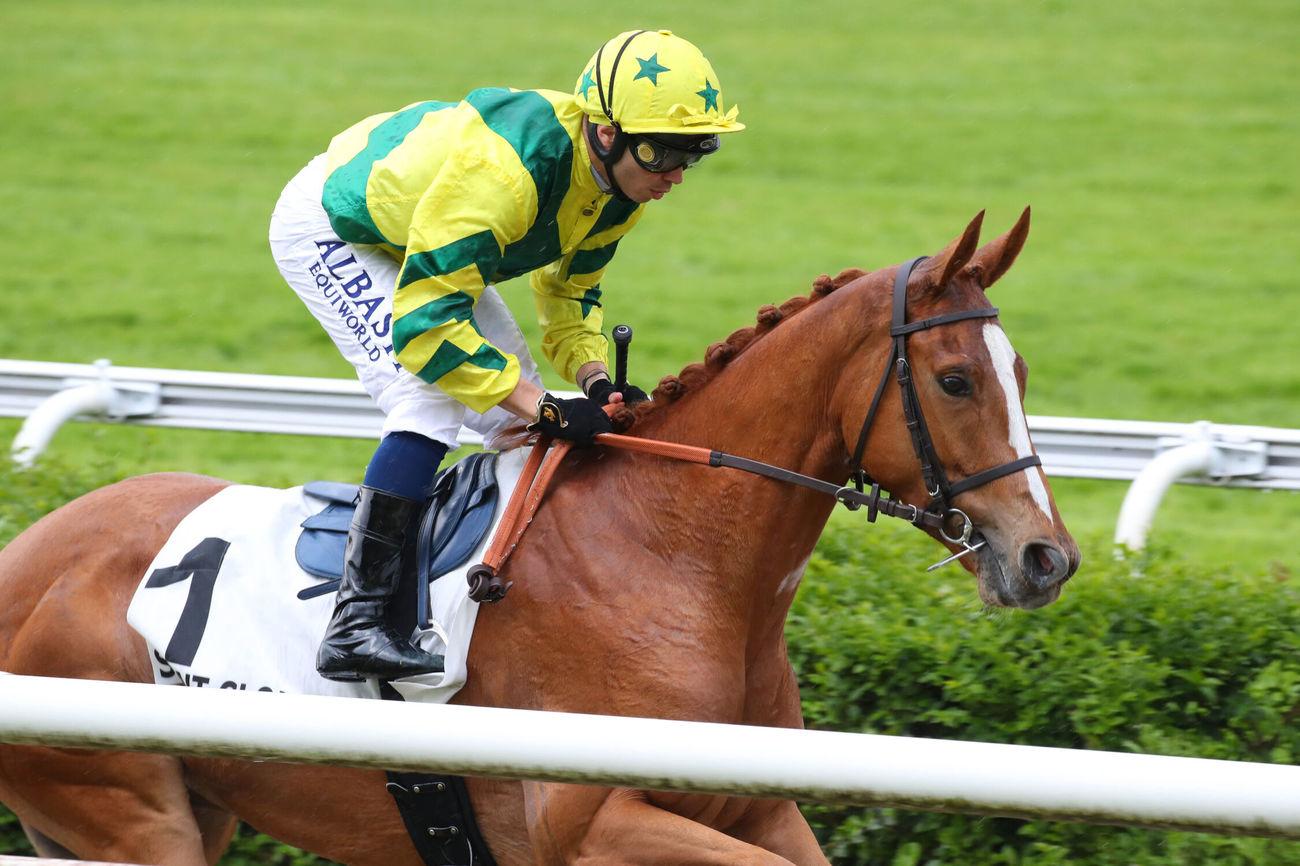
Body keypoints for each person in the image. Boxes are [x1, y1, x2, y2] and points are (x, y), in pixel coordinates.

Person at [268, 29, 744, 682]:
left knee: (510, 413)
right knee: (429, 395)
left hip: (425, 223)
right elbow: (426, 329)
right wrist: (546, 404)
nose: (675, 175)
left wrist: (592, 378)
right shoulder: (507, 174)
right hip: (337, 222)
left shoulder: (622, 188)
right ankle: (357, 622)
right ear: (605, 133)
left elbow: (569, 291)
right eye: (665, 153)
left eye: (693, 155)